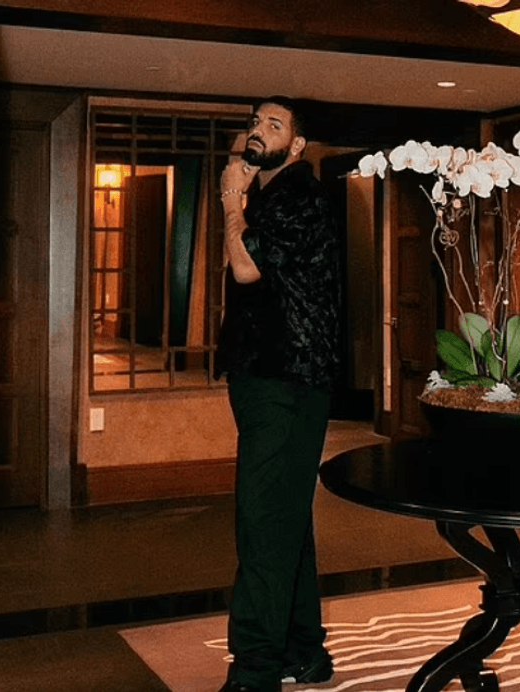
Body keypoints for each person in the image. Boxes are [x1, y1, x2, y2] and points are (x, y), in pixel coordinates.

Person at [215, 96, 340, 692]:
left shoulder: (299, 196)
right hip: (267, 377)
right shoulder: (267, 198)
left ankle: (256, 670)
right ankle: (304, 651)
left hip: (287, 379)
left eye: (274, 125)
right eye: (254, 123)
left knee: (262, 520)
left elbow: (245, 268)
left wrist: (228, 198)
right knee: (284, 517)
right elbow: (243, 265)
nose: (258, 132)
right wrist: (240, 201)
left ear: (297, 145)